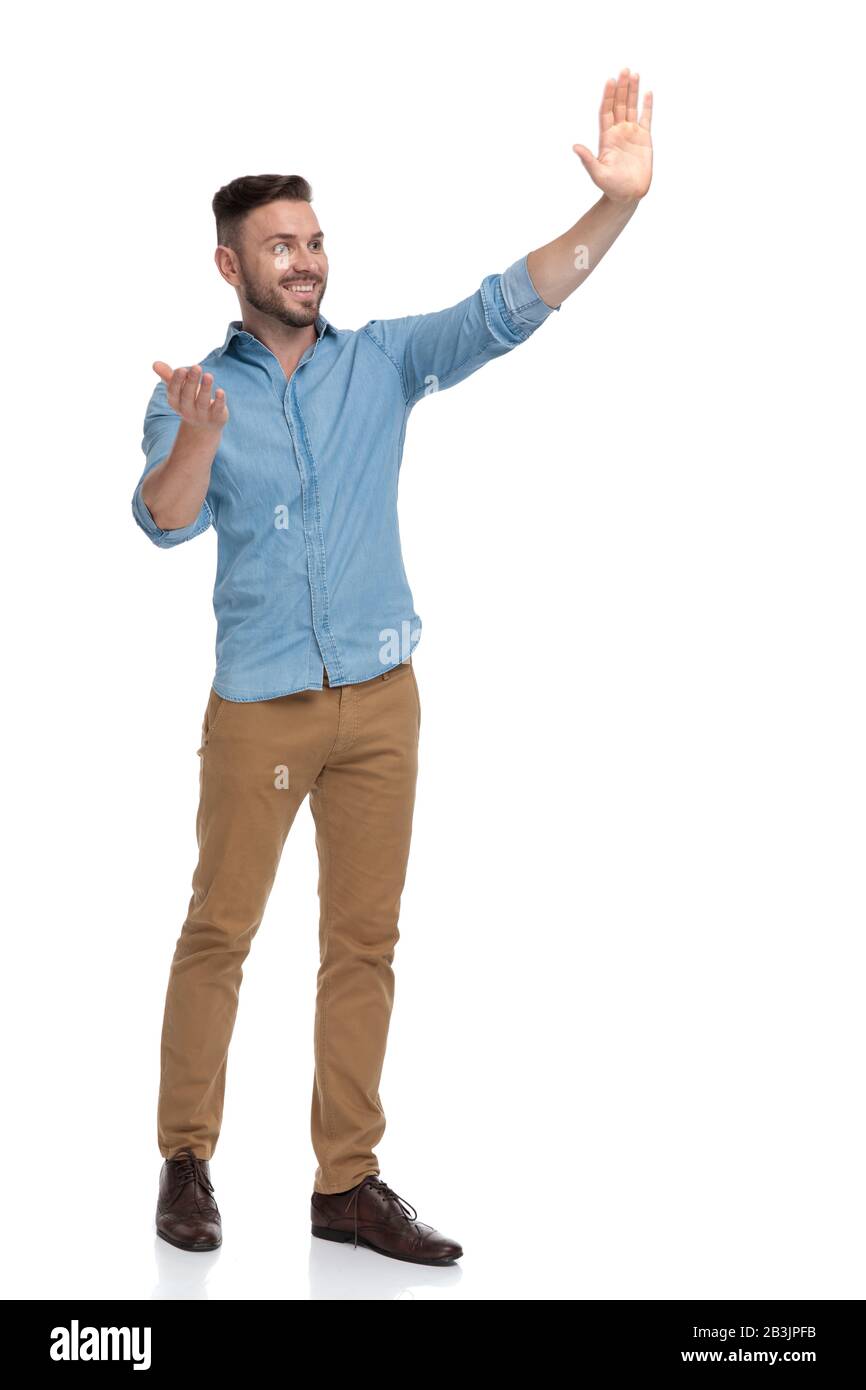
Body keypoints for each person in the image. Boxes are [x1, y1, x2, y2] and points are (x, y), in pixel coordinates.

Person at [136, 68, 654, 1264]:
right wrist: (200, 440)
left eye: (314, 240)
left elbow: (503, 308)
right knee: (221, 931)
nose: (305, 261)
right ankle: (185, 1157)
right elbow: (161, 521)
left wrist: (615, 210)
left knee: (363, 940)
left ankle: (344, 1183)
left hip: (382, 704)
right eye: (279, 246)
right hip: (258, 712)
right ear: (231, 265)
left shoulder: (379, 364)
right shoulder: (195, 395)